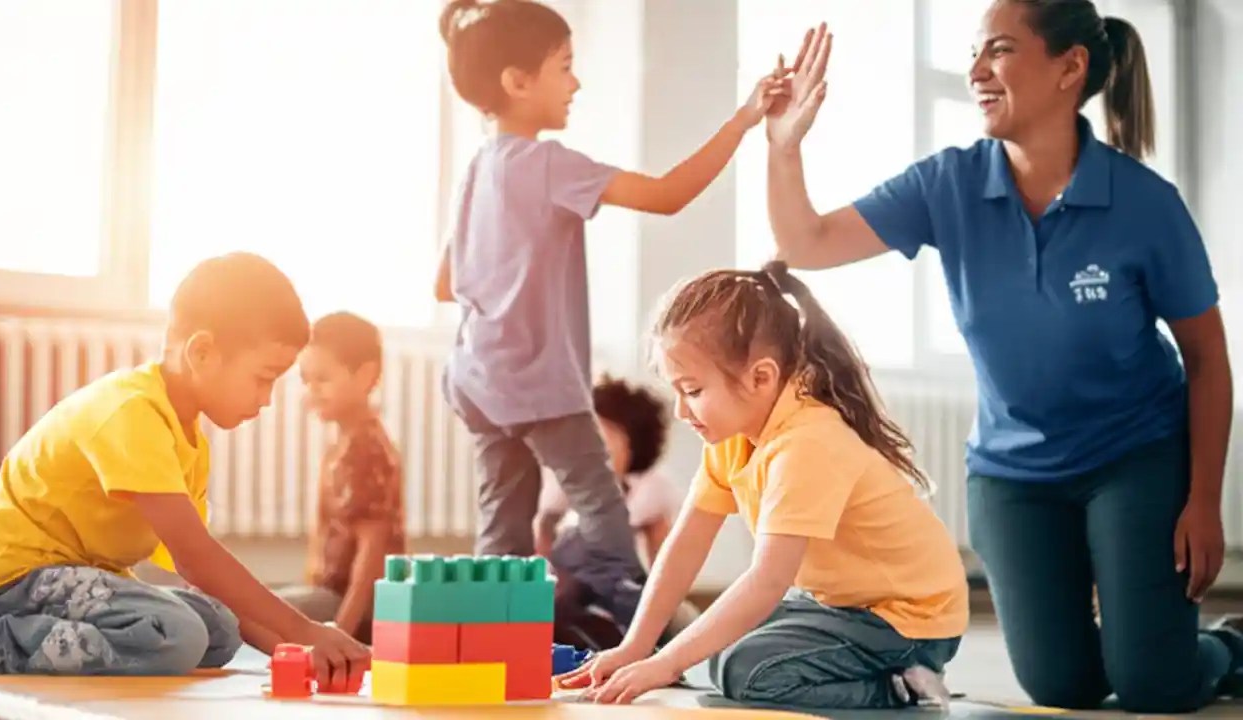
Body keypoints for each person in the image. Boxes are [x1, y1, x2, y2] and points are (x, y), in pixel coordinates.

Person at [765, 3, 1238, 713]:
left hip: (1135, 456)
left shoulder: (1145, 205)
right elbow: (808, 244)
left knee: (1153, 686)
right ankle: (1139, 639)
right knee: (1063, 687)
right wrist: (783, 146)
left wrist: (1203, 500)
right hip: (1016, 475)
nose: (976, 71)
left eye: (1000, 51)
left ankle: (1226, 646)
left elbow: (1206, 357)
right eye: (974, 53)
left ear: (1069, 68)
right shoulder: (947, 184)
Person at [432, 0, 786, 629]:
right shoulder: (548, 164)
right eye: (564, 68)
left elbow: (445, 284)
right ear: (517, 81)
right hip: (538, 377)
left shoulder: (476, 171)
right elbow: (668, 195)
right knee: (599, 505)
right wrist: (745, 118)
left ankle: (497, 633)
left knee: (503, 524)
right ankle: (627, 614)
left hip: (477, 379)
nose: (576, 83)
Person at [559, 262, 969, 710]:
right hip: (837, 603)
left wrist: (665, 663)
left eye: (692, 390)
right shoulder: (735, 438)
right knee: (710, 651)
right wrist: (636, 647)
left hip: (908, 619)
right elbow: (685, 545)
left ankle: (901, 685)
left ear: (761, 377)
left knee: (747, 672)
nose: (680, 410)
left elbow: (768, 580)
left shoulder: (807, 443)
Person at [0, 253, 370, 690]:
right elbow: (196, 560)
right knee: (177, 633)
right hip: (6, 585)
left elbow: (208, 584)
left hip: (65, 586)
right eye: (263, 377)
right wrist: (306, 629)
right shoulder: (131, 412)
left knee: (219, 626)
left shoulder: (187, 440)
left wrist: (295, 652)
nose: (267, 398)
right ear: (202, 352)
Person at [534, 375, 694, 650]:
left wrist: (667, 600)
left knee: (680, 619)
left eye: (607, 435)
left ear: (635, 445)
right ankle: (578, 633)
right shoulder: (569, 483)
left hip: (621, 585)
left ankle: (622, 640)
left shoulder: (648, 490)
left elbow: (665, 553)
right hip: (571, 581)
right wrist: (540, 574)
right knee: (561, 597)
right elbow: (543, 528)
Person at [278, 312, 405, 645]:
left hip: (354, 608)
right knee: (264, 607)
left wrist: (340, 633)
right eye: (305, 379)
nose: (311, 390)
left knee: (253, 613)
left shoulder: (364, 449)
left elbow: (371, 549)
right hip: (332, 596)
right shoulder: (350, 443)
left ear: (365, 376)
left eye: (322, 379)